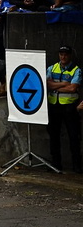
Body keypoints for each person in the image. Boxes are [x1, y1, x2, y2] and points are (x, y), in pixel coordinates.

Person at [46, 45, 81, 173]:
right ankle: (56, 164)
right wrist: (64, 84)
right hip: (54, 105)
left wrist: (55, 86)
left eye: (65, 54)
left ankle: (76, 165)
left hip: (69, 107)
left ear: (70, 55)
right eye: (61, 54)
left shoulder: (76, 70)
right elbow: (47, 84)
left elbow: (73, 88)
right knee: (53, 135)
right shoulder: (52, 68)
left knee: (74, 136)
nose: (63, 56)